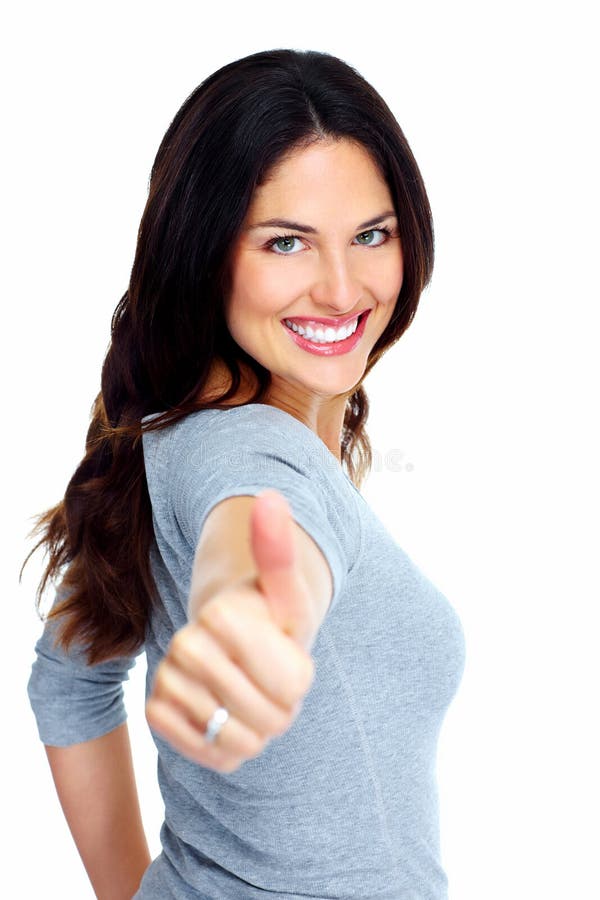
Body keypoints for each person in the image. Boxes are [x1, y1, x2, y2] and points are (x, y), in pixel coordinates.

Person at [23, 48, 466, 899]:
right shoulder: (255, 454)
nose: (342, 289)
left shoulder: (170, 439)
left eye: (371, 234)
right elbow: (265, 535)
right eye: (287, 242)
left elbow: (67, 682)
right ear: (204, 251)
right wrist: (255, 612)